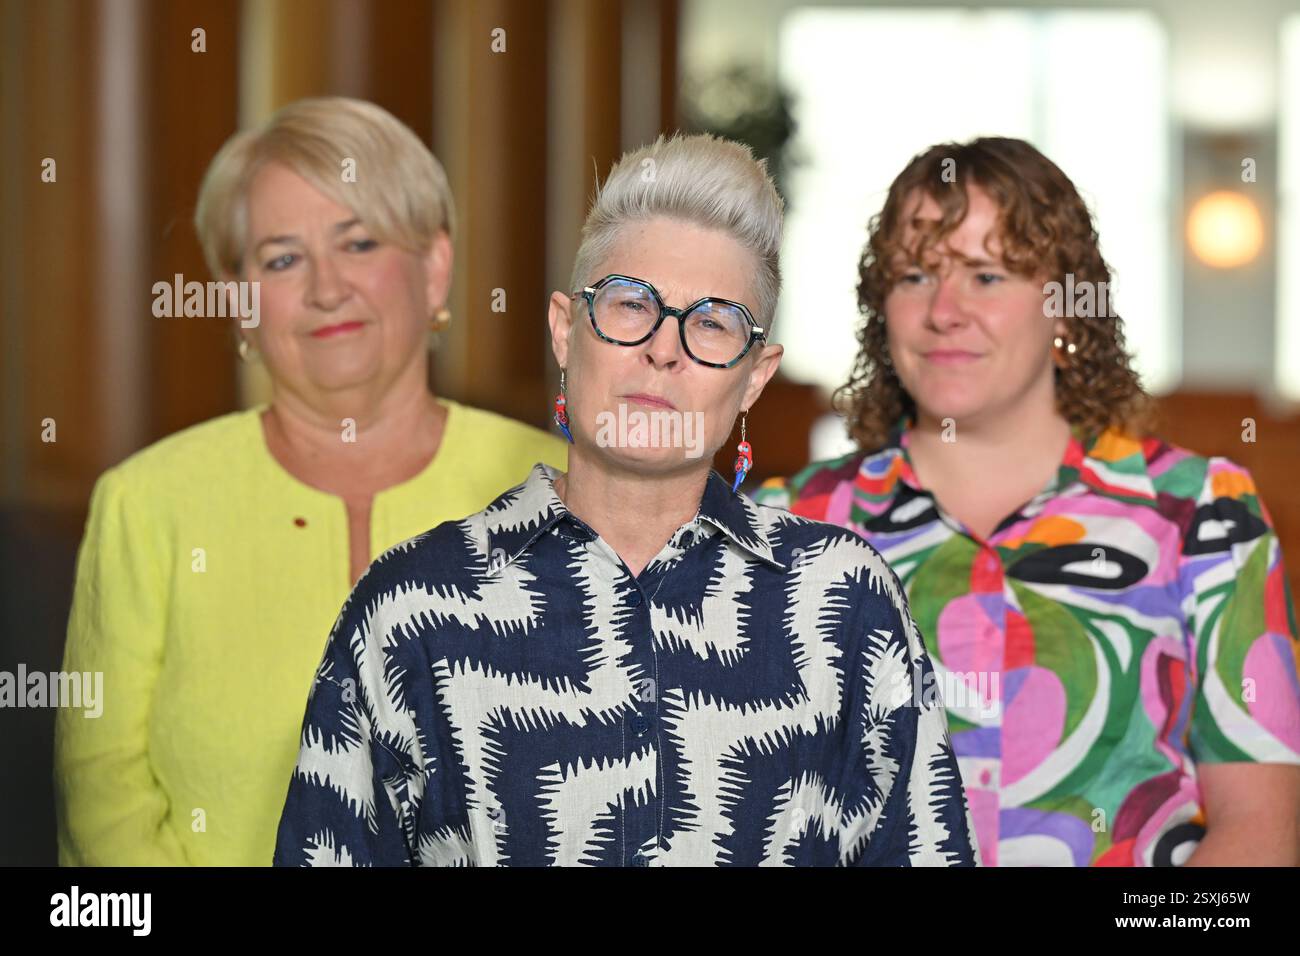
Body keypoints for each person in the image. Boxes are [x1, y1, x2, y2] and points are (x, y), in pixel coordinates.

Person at [272, 133, 978, 867]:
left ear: (755, 377)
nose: (663, 350)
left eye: (710, 323)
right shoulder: (412, 607)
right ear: (565, 331)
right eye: (630, 305)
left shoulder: (843, 596)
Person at [757, 137, 1300, 866]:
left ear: (1066, 309)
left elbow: (1260, 836)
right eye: (915, 275)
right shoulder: (788, 526)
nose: (944, 311)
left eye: (986, 275)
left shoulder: (1201, 513)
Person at [55, 97, 567, 866]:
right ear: (238, 301)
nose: (327, 288)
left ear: (434, 268)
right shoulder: (147, 501)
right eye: (282, 258)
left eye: (358, 243)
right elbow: (101, 792)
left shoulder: (551, 486)